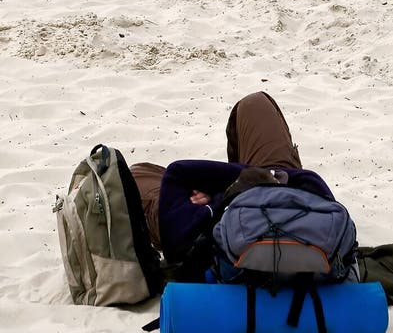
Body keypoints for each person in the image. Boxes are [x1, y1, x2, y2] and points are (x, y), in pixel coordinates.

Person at [130, 92, 335, 265]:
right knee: (255, 103)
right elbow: (313, 186)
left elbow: (178, 174)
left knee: (137, 174)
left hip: (217, 232)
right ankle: (248, 190)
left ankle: (245, 191)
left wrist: (224, 195)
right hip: (285, 202)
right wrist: (248, 184)